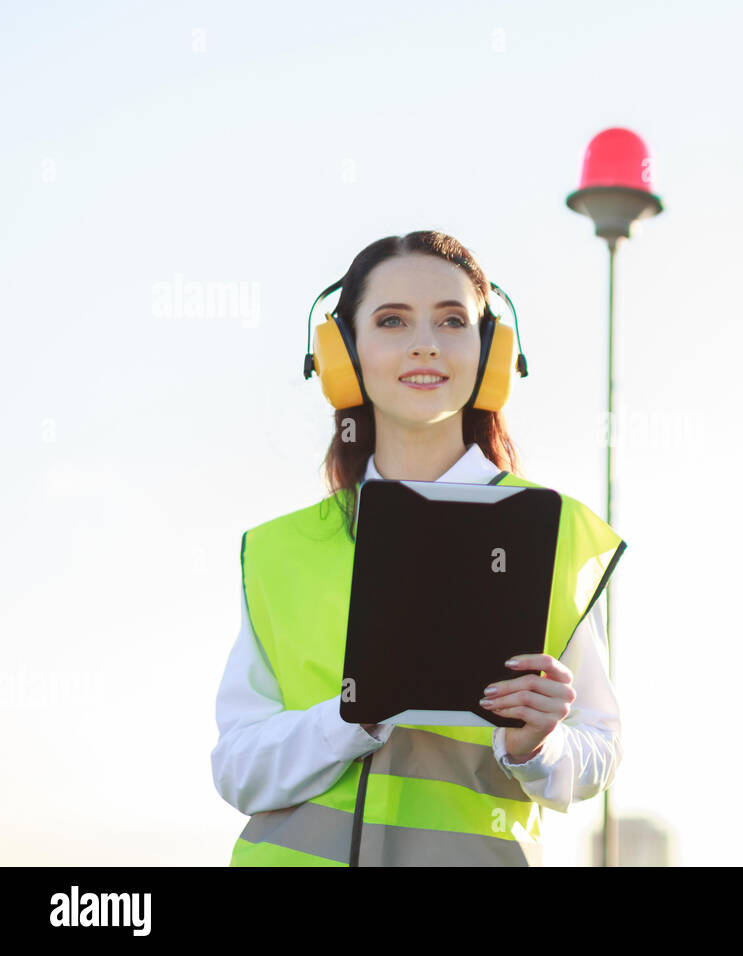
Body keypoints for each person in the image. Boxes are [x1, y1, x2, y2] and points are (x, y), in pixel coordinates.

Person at [210, 230, 627, 866]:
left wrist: (535, 747)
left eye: (453, 321)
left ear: (489, 353)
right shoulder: (280, 550)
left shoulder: (558, 531)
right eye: (392, 320)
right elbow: (238, 769)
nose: (425, 343)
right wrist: (353, 717)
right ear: (343, 353)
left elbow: (598, 751)